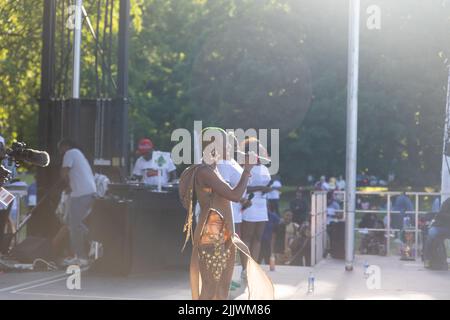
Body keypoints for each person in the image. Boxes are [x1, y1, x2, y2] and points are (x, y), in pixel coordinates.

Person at [178, 127, 273, 300]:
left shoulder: (213, 170)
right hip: (212, 234)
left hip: (222, 232)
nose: (230, 148)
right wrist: (247, 169)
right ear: (213, 146)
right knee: (210, 288)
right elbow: (235, 196)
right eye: (225, 144)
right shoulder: (205, 171)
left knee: (223, 286)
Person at [58, 138, 97, 267]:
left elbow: (64, 172)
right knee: (72, 222)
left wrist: (66, 184)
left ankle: (81, 257)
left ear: (66, 146)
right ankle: (94, 241)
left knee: (74, 225)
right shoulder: (79, 154)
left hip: (81, 193)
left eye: (60, 148)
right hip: (87, 192)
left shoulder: (70, 153)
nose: (60, 152)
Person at [240, 138, 272, 282]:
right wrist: (260, 188)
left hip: (262, 203)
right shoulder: (245, 166)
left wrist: (265, 190)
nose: (261, 151)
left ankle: (255, 267)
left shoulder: (264, 167)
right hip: (250, 202)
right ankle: (245, 268)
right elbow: (243, 187)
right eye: (258, 149)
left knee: (258, 237)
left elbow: (265, 184)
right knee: (247, 237)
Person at [423, 197, 450, 269]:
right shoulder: (448, 201)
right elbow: (441, 214)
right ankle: (428, 259)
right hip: (442, 226)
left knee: (432, 233)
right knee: (432, 233)